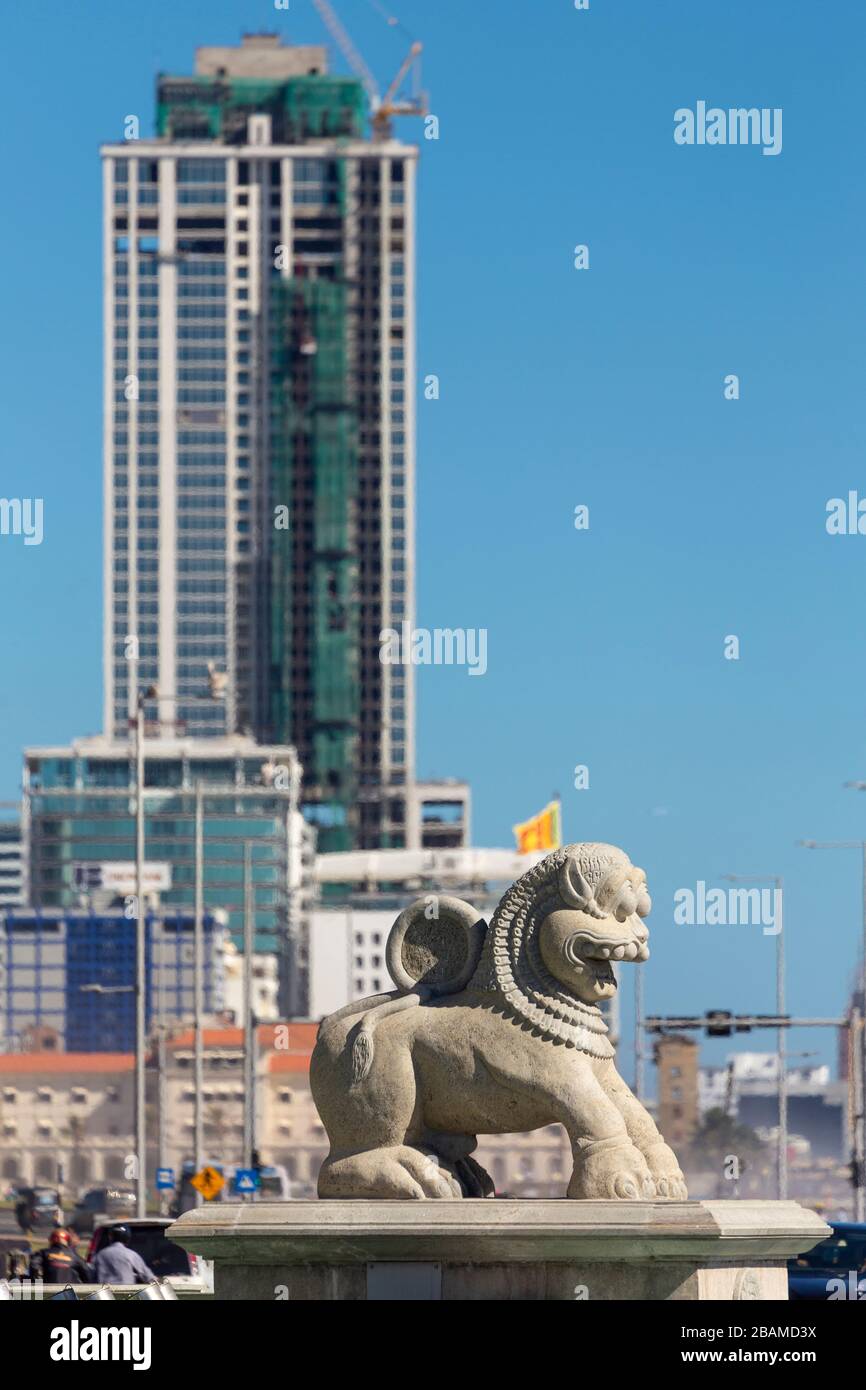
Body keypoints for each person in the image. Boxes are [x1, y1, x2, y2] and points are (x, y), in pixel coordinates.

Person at [91, 1226, 155, 1285]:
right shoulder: (131, 1254)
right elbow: (148, 1277)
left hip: (104, 1294)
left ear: (110, 1237)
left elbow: (92, 1276)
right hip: (126, 1293)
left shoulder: (100, 1254)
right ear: (127, 1238)